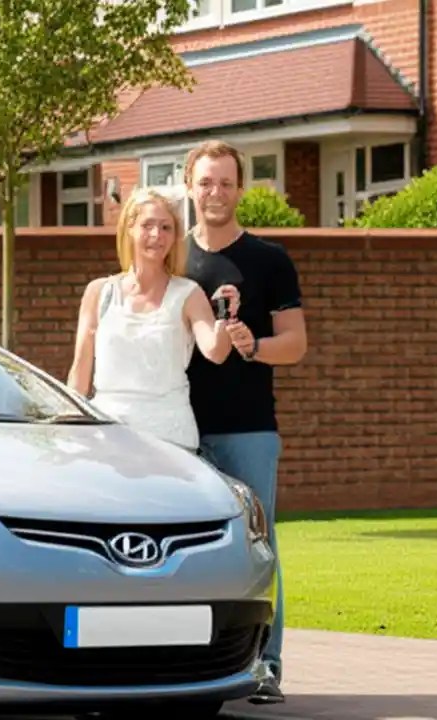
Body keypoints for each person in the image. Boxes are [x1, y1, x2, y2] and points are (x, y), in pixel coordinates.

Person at [181, 139, 309, 704]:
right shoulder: (171, 258)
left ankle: (266, 666)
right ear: (189, 185)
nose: (216, 193)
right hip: (176, 433)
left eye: (226, 183)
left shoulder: (269, 260)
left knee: (258, 549)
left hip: (249, 429)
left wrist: (252, 344)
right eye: (206, 182)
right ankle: (188, 663)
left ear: (241, 189)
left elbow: (297, 345)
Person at [66, 187, 238, 452]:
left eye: (166, 228)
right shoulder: (99, 292)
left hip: (171, 442)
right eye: (148, 225)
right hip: (108, 438)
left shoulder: (188, 294)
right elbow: (80, 372)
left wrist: (226, 315)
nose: (157, 235)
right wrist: (69, 431)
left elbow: (216, 351)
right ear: (129, 229)